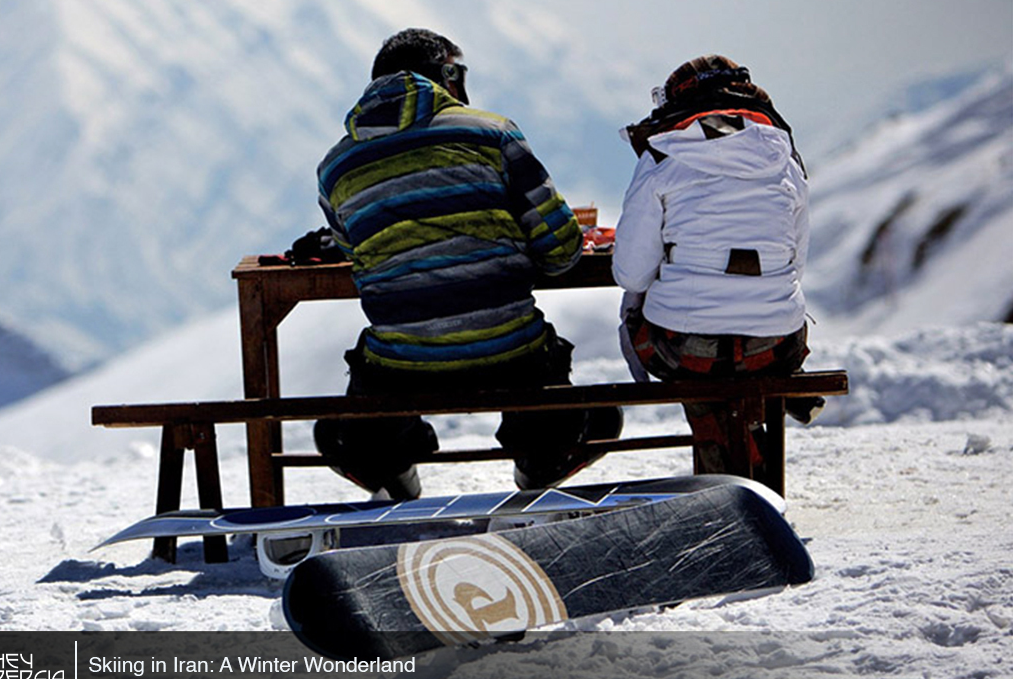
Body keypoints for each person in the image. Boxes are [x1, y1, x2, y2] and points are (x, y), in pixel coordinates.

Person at [314, 28, 622, 499]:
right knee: (591, 406)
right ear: (448, 76)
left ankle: (392, 471)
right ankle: (540, 461)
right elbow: (562, 252)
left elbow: (358, 257)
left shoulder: (334, 167)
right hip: (510, 355)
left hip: (403, 366)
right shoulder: (493, 133)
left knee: (348, 410)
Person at [613, 55, 823, 476]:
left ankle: (729, 467)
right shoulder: (785, 157)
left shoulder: (661, 158)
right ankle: (747, 448)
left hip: (683, 348)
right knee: (739, 346)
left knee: (667, 331)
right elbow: (795, 264)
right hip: (777, 345)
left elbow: (630, 274)